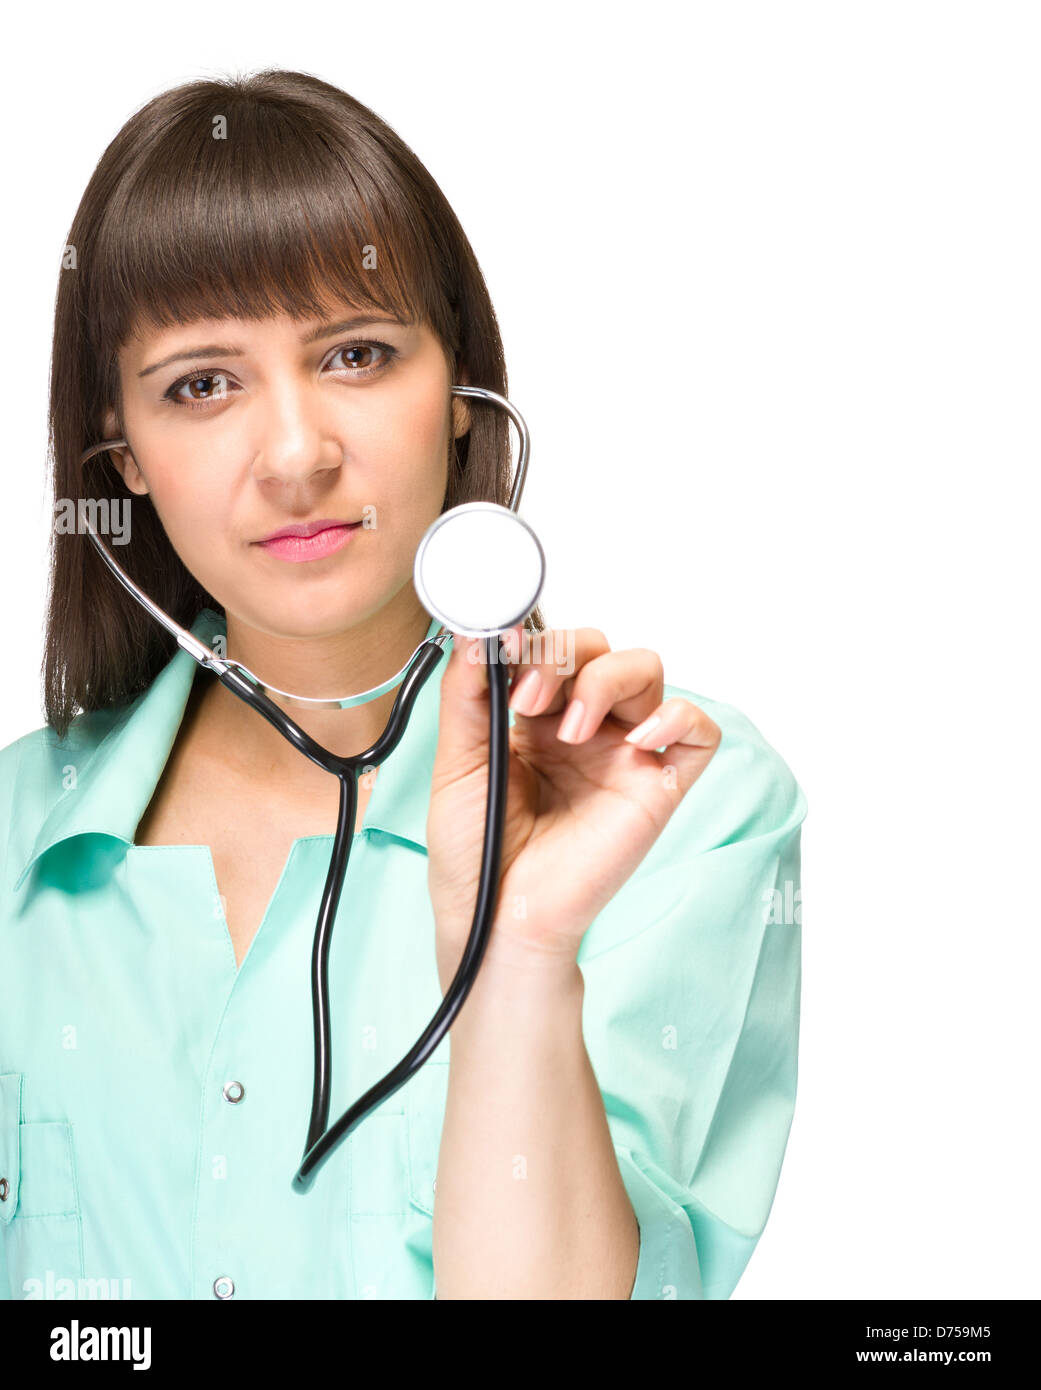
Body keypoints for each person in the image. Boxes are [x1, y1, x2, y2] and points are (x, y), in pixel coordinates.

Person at [0, 69, 807, 1301]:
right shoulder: (16, 831)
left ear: (461, 396)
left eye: (357, 354)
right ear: (126, 457)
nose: (296, 455)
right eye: (202, 384)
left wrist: (520, 951)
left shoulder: (679, 796)